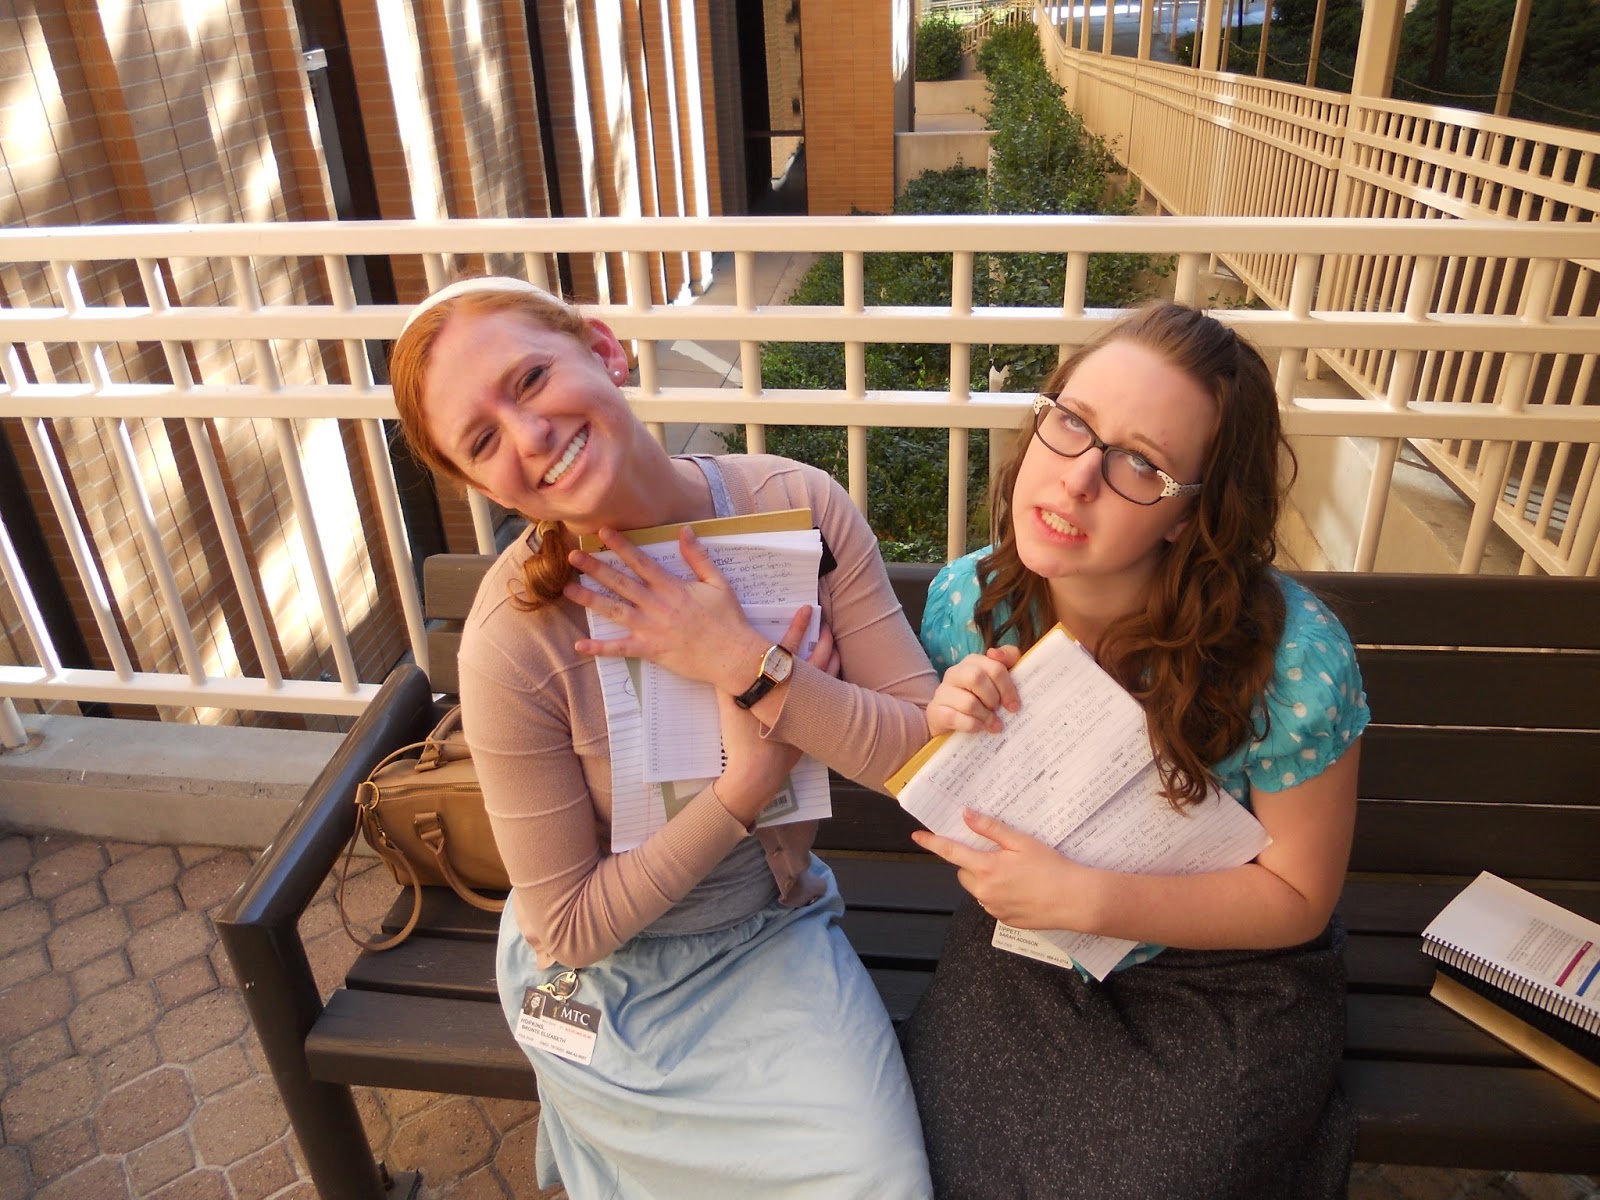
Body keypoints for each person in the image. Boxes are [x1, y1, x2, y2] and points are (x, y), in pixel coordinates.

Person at [389, 276, 937, 1199]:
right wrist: (744, 788)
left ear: (605, 350)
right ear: (483, 486)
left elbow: (927, 760)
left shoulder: (795, 505)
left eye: (529, 379)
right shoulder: (514, 640)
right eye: (483, 441)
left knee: (877, 1180)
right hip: (603, 982)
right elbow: (567, 929)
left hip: (768, 932)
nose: (529, 436)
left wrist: (751, 668)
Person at [900, 302, 1369, 1199]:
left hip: (1223, 973)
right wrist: (947, 724)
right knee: (933, 1156)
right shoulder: (975, 604)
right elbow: (962, 804)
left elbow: (1299, 899)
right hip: (1033, 945)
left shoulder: (1290, 661)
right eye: (1072, 423)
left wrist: (1091, 897)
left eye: (1142, 465)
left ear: (1192, 514)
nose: (1078, 478)